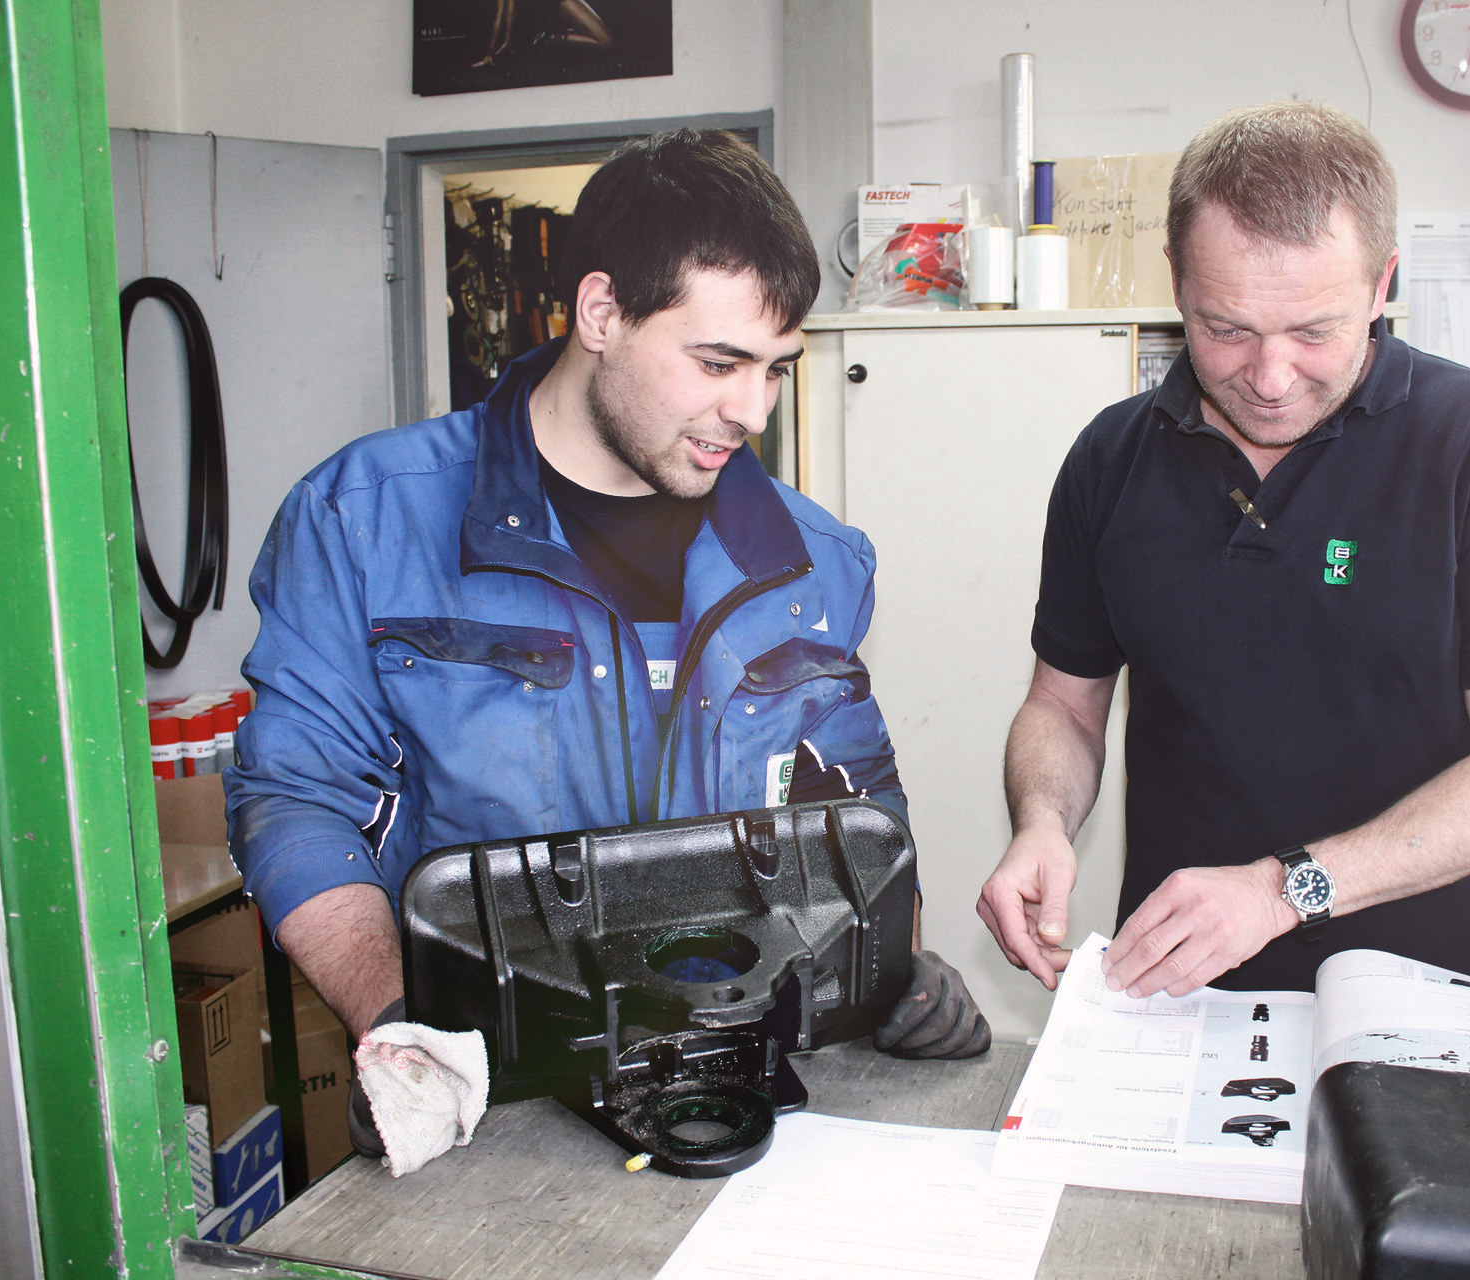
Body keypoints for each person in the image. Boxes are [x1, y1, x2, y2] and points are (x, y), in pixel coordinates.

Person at [227, 129, 988, 1158]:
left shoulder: (813, 563)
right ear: (601, 312)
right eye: (718, 362)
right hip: (489, 1105)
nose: (750, 411)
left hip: (730, 1093)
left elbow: (856, 807)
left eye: (775, 368)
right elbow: (297, 798)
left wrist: (894, 963)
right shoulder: (365, 520)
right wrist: (403, 1023)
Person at [976, 101, 1470, 1001]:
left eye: (1315, 331)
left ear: (1383, 283)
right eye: (1225, 328)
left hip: (1419, 1001)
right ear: (1176, 280)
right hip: (1176, 995)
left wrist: (1284, 890)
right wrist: (1041, 823)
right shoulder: (1109, 461)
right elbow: (1063, 710)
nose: (1270, 379)